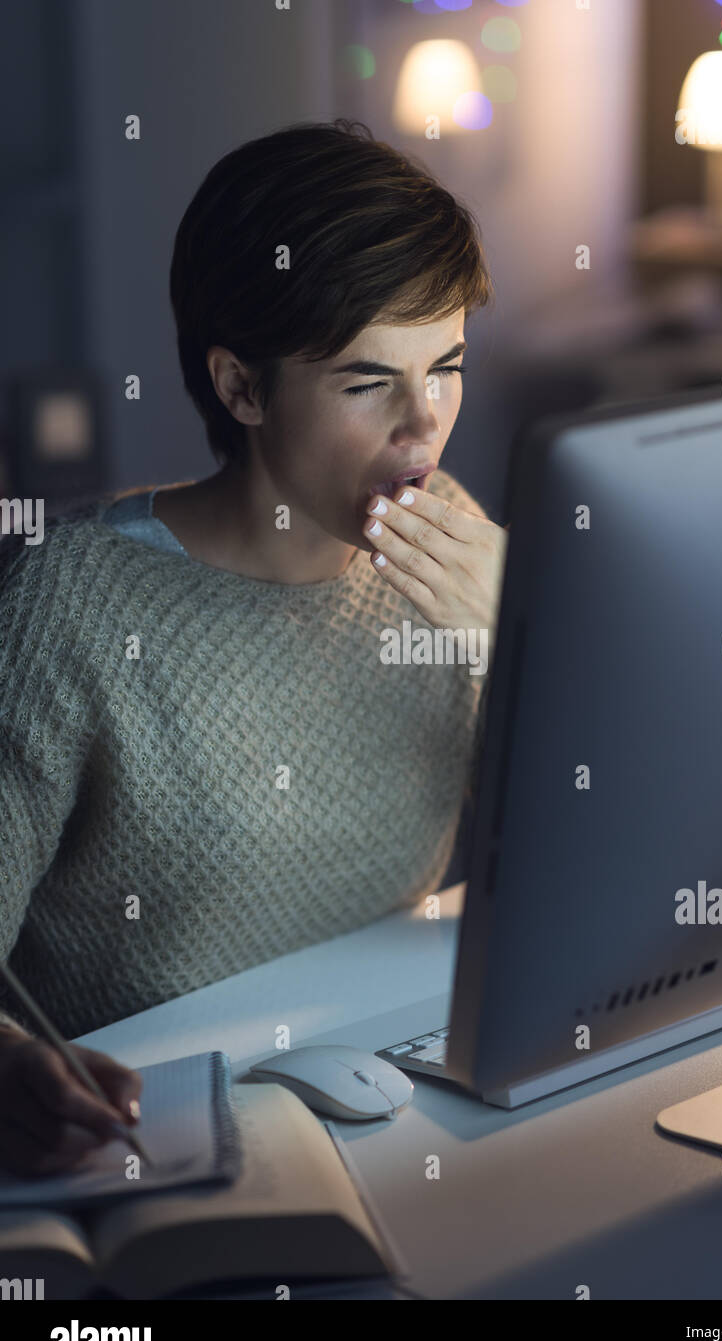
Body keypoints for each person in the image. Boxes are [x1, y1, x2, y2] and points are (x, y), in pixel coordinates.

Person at [0, 119, 506, 1175]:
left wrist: (523, 640)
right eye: (369, 382)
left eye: (446, 367)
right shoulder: (72, 600)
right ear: (240, 387)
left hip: (397, 1098)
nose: (423, 428)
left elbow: (581, 869)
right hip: (151, 1136)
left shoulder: (452, 540)